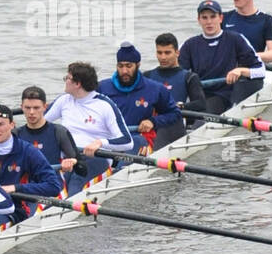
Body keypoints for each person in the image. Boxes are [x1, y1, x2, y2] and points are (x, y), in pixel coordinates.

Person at [44, 61, 137, 192]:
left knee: (76, 182)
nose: (65, 81)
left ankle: (68, 206)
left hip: (97, 158)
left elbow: (127, 142)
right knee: (52, 182)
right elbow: (39, 124)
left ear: (77, 84)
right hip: (68, 157)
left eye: (67, 78)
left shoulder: (105, 106)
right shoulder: (64, 100)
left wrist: (100, 143)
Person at [178, 0, 267, 115]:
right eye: (204, 18)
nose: (209, 22)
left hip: (224, 95)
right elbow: (178, 76)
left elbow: (261, 71)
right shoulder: (189, 44)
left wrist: (240, 70)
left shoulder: (235, 39)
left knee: (200, 118)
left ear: (220, 18)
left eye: (213, 17)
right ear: (199, 20)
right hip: (198, 96)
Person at [0, 103, 64, 219]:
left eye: (1, 124)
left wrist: (16, 188)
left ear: (12, 125)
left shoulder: (27, 151)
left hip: (13, 208)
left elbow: (53, 186)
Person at [99, 43, 185, 149]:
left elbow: (174, 113)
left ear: (138, 65)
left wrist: (153, 121)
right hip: (108, 139)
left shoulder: (155, 89)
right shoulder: (102, 87)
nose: (124, 71)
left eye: (129, 66)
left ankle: (121, 165)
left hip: (139, 138)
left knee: (136, 141)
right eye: (120, 66)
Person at [17, 86, 79, 180]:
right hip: (25, 186)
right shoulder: (15, 134)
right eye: (27, 108)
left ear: (45, 107)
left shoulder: (59, 132)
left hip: (53, 185)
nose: (31, 112)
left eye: (36, 108)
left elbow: (81, 166)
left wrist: (72, 162)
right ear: (22, 107)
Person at [144, 33, 208, 115]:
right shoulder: (147, 76)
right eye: (159, 53)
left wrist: (181, 106)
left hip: (176, 121)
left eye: (167, 53)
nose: (163, 57)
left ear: (177, 53)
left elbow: (200, 104)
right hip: (151, 124)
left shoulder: (189, 77)